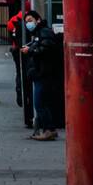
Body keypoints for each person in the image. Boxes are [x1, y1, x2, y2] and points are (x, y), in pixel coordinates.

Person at [22, 9, 62, 141]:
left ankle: (49, 129)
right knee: (41, 102)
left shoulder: (44, 32)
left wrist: (31, 50)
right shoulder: (40, 33)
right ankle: (46, 129)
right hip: (41, 72)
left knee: (40, 103)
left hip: (44, 73)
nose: (28, 24)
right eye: (26, 22)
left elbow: (47, 49)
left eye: (30, 21)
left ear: (37, 20)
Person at [7, 6, 34, 128]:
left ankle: (20, 93)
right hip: (26, 50)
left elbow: (9, 32)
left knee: (19, 72)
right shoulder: (30, 19)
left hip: (16, 49)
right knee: (27, 74)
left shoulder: (13, 20)